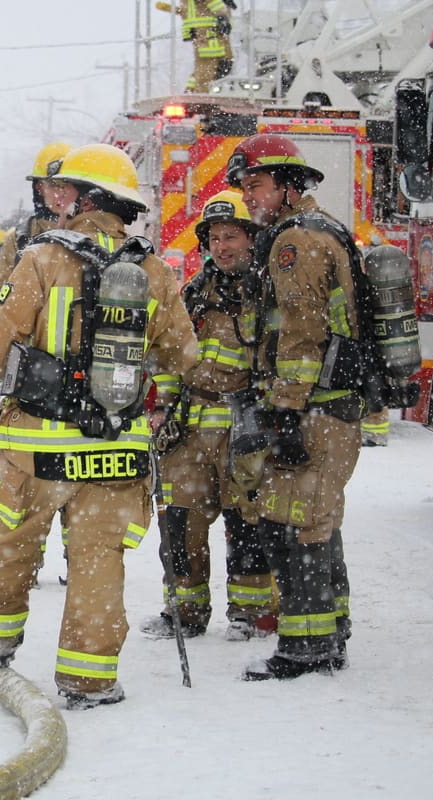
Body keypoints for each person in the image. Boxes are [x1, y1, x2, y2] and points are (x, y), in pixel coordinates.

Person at [0, 143, 198, 708]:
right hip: (118, 448)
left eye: (70, 192)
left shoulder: (41, 259)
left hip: (37, 447)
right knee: (98, 563)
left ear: (84, 198)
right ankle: (89, 678)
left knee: (12, 546)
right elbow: (184, 355)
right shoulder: (152, 270)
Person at [226, 133, 362, 680]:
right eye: (243, 186)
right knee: (318, 519)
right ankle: (331, 634)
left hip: (315, 409)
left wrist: (284, 408)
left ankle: (305, 650)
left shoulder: (295, 242)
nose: (248, 196)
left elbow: (301, 331)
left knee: (298, 523)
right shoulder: (317, 229)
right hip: (328, 405)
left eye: (255, 184)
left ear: (287, 185)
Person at [140, 190, 276, 642]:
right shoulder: (194, 293)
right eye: (215, 238)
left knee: (248, 524)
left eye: (231, 236)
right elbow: (174, 358)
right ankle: (184, 611)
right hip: (192, 428)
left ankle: (252, 614)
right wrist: (163, 409)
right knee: (178, 523)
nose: (222, 246)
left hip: (247, 427)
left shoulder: (270, 291)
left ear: (251, 239)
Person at [0, 141, 75, 293]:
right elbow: (5, 304)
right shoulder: (19, 240)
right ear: (39, 187)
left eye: (66, 184)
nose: (61, 193)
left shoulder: (88, 233)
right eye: (53, 185)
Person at [166, 0, 235, 93]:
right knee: (210, 67)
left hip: (203, 34)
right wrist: (222, 15)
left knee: (205, 66)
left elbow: (185, 11)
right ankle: (202, 93)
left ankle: (191, 91)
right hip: (210, 34)